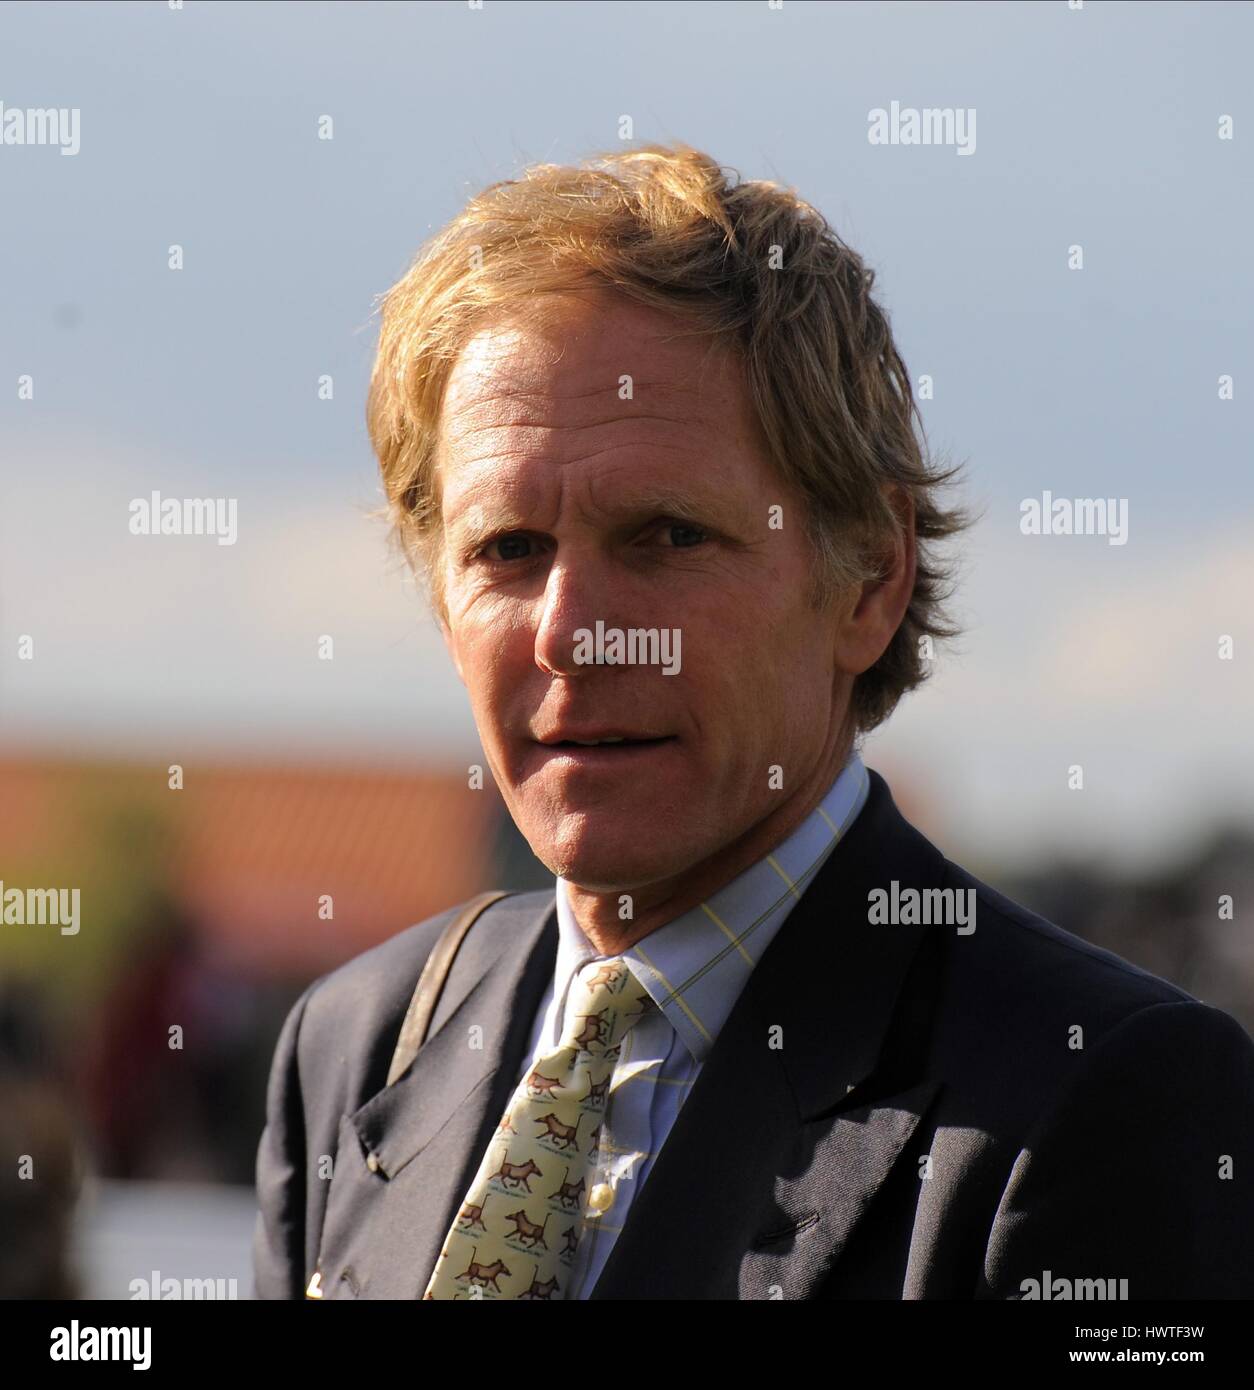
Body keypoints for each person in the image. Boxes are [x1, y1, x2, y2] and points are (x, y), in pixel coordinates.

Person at [253, 143, 1254, 1300]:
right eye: (509, 550)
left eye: (668, 536)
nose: (574, 632)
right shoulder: (360, 1044)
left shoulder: (1105, 1100)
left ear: (871, 577)